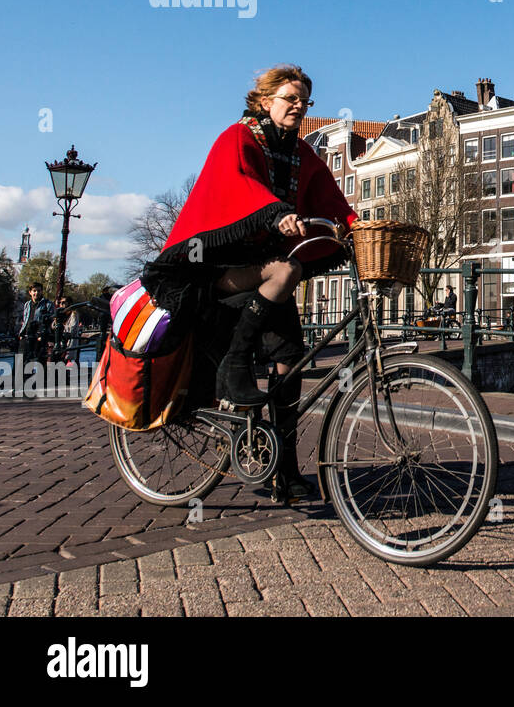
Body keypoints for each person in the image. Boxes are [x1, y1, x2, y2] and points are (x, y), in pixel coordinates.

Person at [141, 64, 357, 503]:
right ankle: (233, 366)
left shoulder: (301, 154)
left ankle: (284, 469)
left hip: (263, 269)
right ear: (264, 100)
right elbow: (240, 184)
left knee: (290, 362)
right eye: (290, 99)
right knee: (286, 271)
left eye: (305, 101)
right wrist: (277, 213)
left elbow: (331, 198)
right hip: (215, 268)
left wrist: (357, 228)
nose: (299, 107)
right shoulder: (238, 138)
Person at [18, 285, 53, 365]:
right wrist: (21, 333)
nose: (36, 293)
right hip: (26, 335)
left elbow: (51, 321)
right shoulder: (27, 304)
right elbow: (25, 319)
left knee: (40, 361)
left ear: (42, 292)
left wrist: (43, 334)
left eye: (39, 291)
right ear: (30, 292)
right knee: (20, 361)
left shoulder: (48, 304)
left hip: (39, 336)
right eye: (34, 291)